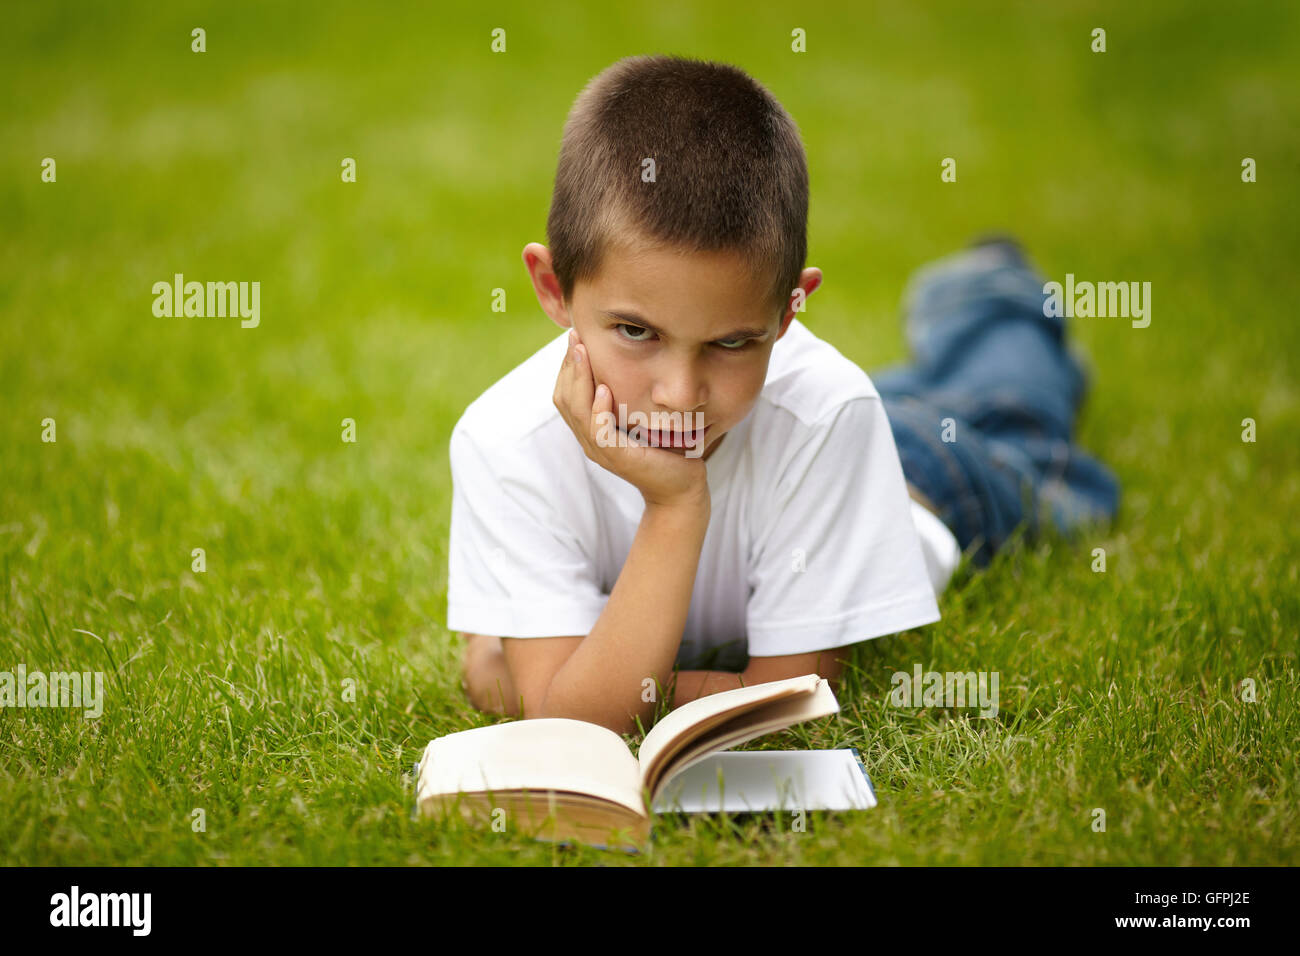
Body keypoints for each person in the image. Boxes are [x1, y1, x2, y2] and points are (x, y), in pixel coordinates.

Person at [451, 55, 1119, 736]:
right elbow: (574, 719)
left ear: (790, 311)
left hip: (924, 479)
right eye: (635, 332)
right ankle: (965, 305)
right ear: (553, 288)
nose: (680, 396)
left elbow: (792, 695)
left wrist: (674, 506)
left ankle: (991, 296)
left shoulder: (830, 417)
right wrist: (567, 679)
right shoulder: (505, 440)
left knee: (1018, 419)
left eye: (732, 342)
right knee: (895, 398)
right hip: (797, 422)